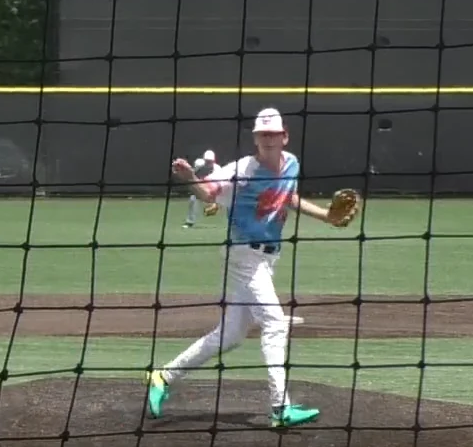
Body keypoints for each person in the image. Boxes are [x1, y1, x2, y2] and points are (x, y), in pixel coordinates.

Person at [148, 107, 352, 429]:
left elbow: (289, 197)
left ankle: (163, 376)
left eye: (273, 134)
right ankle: (280, 407)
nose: (268, 139)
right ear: (256, 138)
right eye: (262, 135)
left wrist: (327, 216)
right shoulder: (242, 169)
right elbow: (207, 194)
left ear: (284, 136)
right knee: (274, 323)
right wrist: (190, 180)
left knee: (230, 336)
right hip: (244, 256)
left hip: (267, 259)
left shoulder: (292, 164)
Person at [183, 149, 219, 227]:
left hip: (212, 190)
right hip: (201, 189)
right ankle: (189, 222)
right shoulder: (198, 165)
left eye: (210, 161)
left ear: (214, 160)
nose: (208, 162)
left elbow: (220, 185)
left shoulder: (217, 169)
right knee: (193, 199)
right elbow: (192, 174)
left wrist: (216, 203)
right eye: (207, 160)